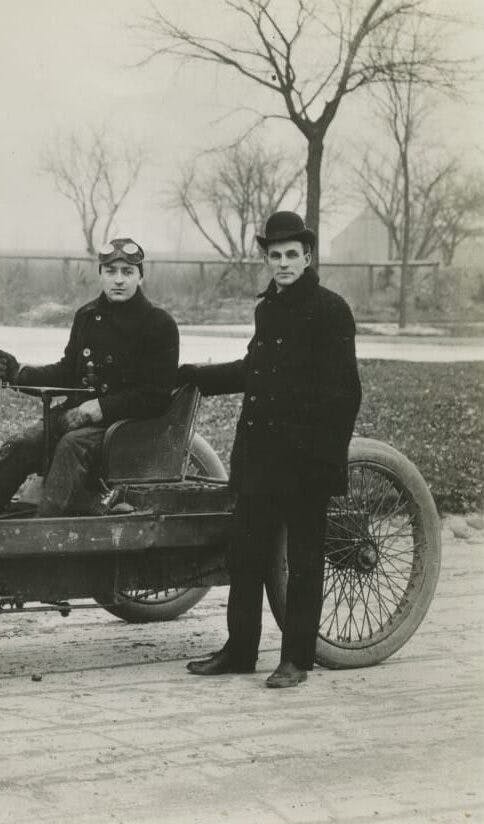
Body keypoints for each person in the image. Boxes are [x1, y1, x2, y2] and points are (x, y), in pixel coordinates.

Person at [180, 211, 362, 688]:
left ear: (307, 257)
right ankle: (240, 651)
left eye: (291, 255)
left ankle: (295, 660)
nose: (282, 264)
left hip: (305, 463)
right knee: (247, 557)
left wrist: (324, 461)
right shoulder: (268, 309)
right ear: (266, 258)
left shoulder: (331, 310)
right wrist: (197, 374)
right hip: (259, 457)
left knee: (303, 562)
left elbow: (346, 396)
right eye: (274, 256)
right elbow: (253, 370)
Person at [0, 238, 179, 518]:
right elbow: (67, 372)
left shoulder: (160, 325)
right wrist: (19, 373)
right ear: (100, 274)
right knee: (24, 443)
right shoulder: (86, 316)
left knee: (70, 446)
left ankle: (43, 535)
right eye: (110, 271)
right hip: (75, 417)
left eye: (127, 272)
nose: (118, 280)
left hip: (126, 428)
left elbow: (155, 397)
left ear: (140, 276)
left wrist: (99, 408)